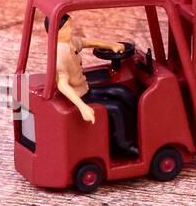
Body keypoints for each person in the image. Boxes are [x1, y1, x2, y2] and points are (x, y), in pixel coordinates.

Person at [48, 14, 139, 158]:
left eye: (70, 27)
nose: (70, 31)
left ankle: (139, 128)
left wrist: (112, 45)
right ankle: (124, 146)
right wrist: (82, 107)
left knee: (122, 91)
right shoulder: (59, 55)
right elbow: (62, 85)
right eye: (66, 30)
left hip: (86, 89)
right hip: (78, 97)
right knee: (116, 108)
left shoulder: (70, 43)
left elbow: (87, 42)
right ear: (55, 33)